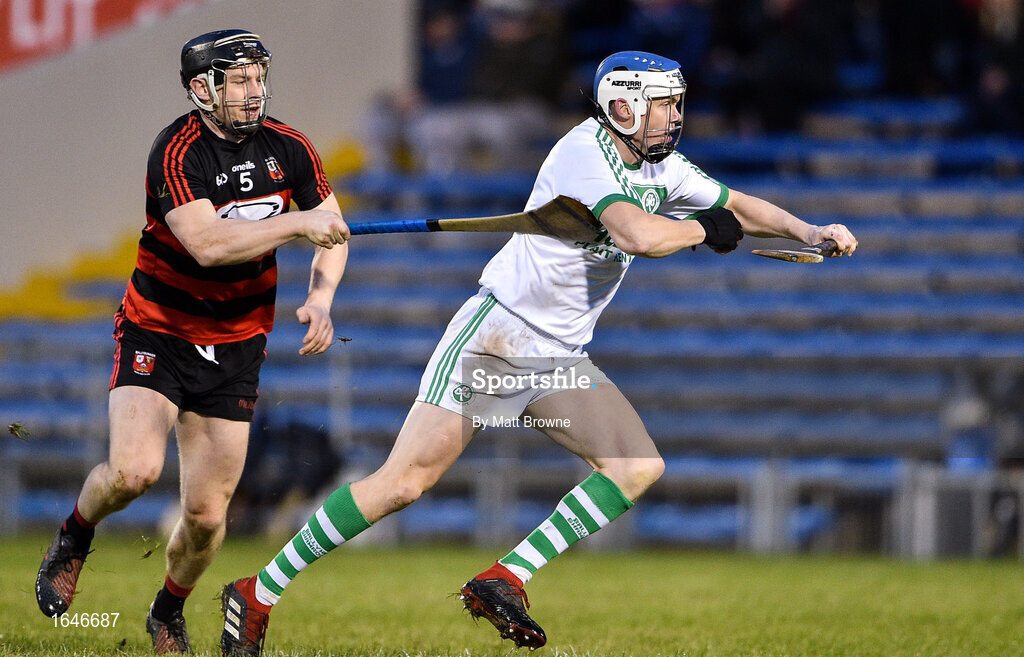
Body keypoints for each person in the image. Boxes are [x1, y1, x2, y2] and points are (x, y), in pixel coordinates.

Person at [218, 50, 857, 656]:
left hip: (557, 356)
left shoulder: (662, 166)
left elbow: (734, 204)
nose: (674, 116)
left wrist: (808, 229)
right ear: (625, 108)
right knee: (402, 484)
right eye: (662, 105)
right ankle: (257, 591)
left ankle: (507, 578)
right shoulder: (585, 152)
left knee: (635, 466)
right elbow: (639, 235)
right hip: (499, 339)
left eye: (676, 103)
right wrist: (702, 230)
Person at [34, 29, 350, 654]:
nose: (254, 91)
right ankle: (75, 533)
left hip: (236, 344)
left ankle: (166, 610)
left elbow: (333, 226)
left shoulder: (289, 147)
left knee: (206, 518)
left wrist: (320, 297)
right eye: (239, 80)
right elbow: (207, 246)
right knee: (133, 472)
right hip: (161, 329)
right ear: (201, 89)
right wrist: (300, 223)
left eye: (259, 77)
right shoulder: (177, 153)